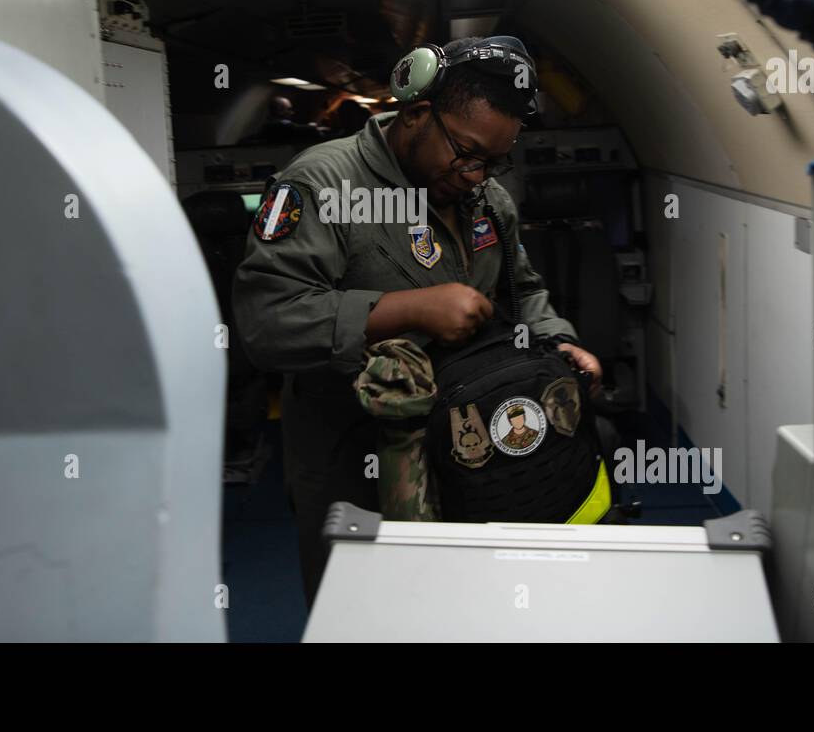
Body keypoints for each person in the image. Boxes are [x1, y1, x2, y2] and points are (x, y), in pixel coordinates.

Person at [231, 36, 601, 606]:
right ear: (416, 113)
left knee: (458, 605)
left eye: (494, 161)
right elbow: (266, 321)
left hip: (468, 444)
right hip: (352, 455)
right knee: (363, 610)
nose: (478, 174)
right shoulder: (323, 185)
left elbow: (521, 288)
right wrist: (404, 309)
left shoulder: (486, 200)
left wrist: (558, 339)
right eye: (466, 152)